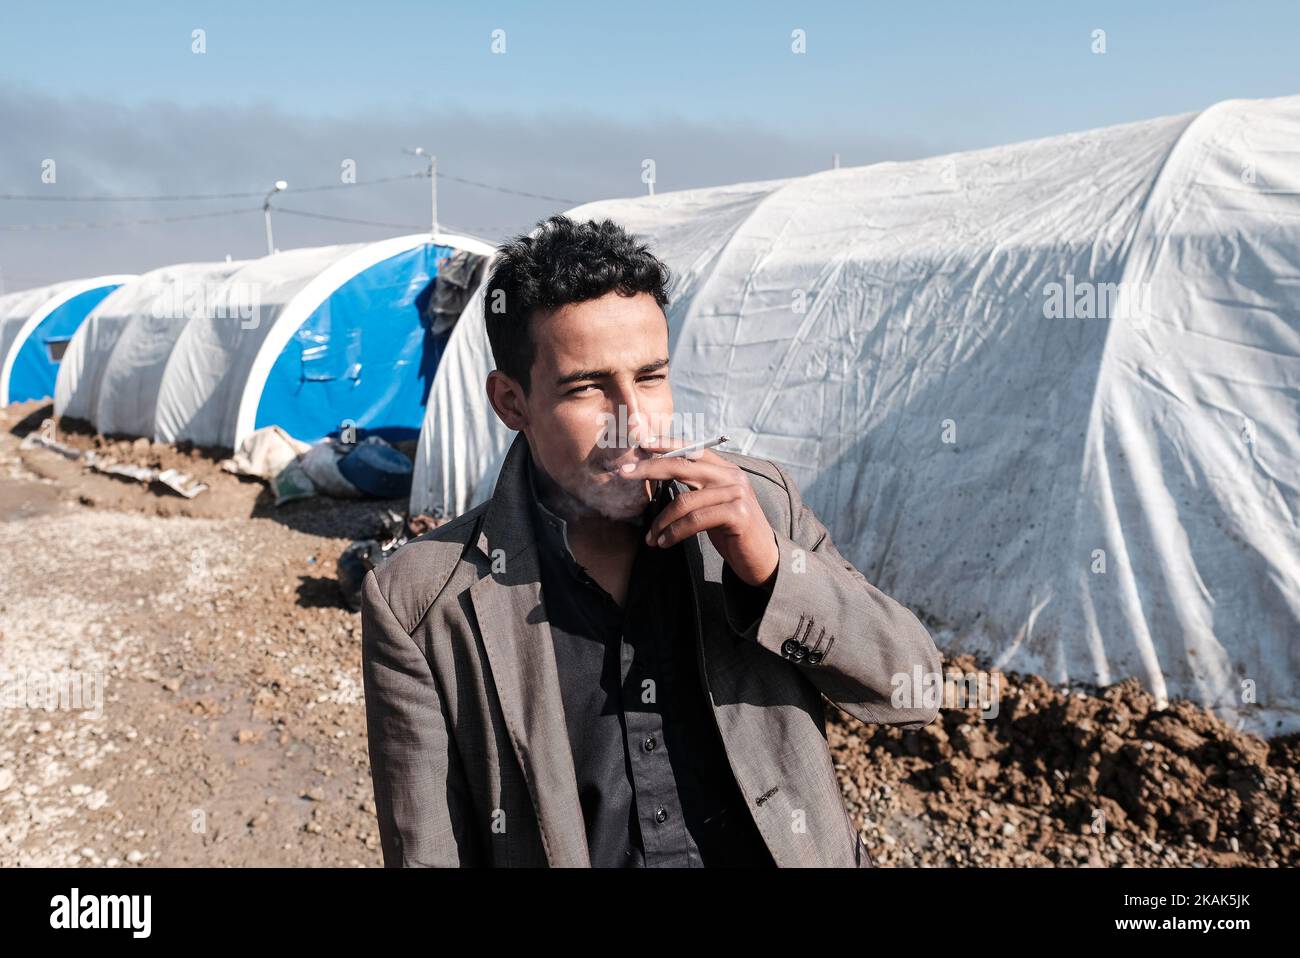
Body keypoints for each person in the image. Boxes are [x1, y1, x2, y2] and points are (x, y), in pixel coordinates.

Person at [361, 214, 942, 867]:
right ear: (511, 403)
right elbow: (429, 852)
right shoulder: (420, 602)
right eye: (587, 388)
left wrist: (773, 572)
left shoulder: (757, 507)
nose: (632, 424)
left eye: (650, 377)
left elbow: (912, 689)